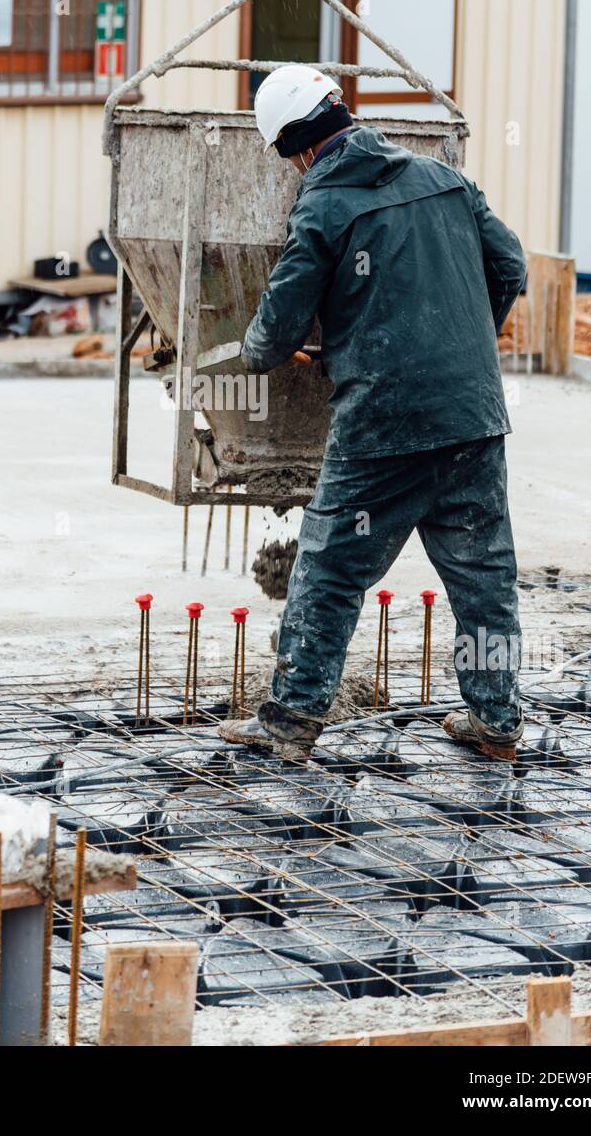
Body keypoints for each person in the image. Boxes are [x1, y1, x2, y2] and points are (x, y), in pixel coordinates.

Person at [218, 64, 527, 764]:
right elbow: (510, 268)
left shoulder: (323, 205)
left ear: (295, 147)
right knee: (483, 577)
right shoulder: (442, 178)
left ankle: (289, 724)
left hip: (382, 426)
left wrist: (251, 348)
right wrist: (466, 343)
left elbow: (272, 338)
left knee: (327, 572)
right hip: (473, 415)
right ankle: (496, 723)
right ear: (341, 110)